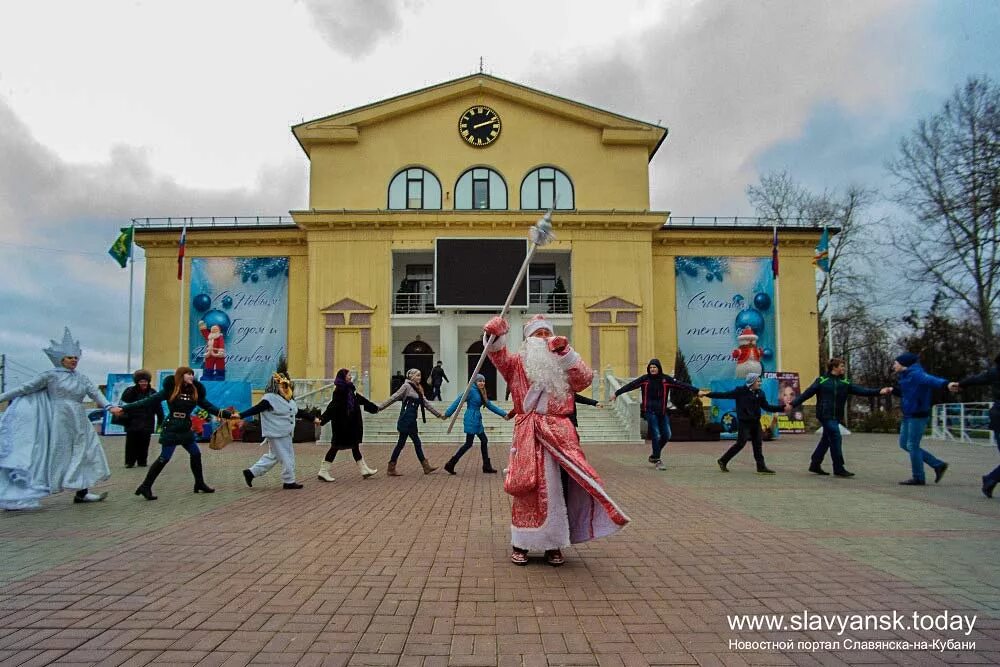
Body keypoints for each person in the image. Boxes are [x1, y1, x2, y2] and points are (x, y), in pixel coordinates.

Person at [484, 313, 630, 567]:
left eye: (546, 333)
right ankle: (521, 544)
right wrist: (494, 334)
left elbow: (584, 380)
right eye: (537, 334)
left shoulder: (563, 361)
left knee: (561, 486)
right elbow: (497, 355)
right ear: (528, 339)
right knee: (527, 487)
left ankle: (554, 544)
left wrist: (565, 353)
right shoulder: (517, 363)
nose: (543, 338)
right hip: (529, 434)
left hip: (560, 434)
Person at [0, 328, 113, 509]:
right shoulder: (50, 375)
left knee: (85, 451)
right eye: (70, 357)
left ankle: (82, 492)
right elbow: (24, 388)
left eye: (76, 357)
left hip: (79, 420)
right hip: (59, 419)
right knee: (56, 452)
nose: (74, 360)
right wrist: (2, 397)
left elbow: (95, 393)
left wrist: (109, 406)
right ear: (61, 359)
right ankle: (32, 490)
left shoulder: (82, 378)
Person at [114, 367, 234, 500]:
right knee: (164, 457)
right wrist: (124, 408)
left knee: (196, 453)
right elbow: (147, 401)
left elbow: (209, 407)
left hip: (185, 427)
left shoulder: (194, 391)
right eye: (188, 374)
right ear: (181, 376)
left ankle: (199, 483)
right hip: (172, 426)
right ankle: (145, 486)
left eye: (192, 374)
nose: (191, 376)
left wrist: (228, 415)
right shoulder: (171, 389)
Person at [789, 358, 891, 478]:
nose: (843, 368)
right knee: (836, 435)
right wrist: (792, 404)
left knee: (827, 439)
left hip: (836, 416)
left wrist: (879, 391)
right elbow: (806, 394)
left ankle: (815, 464)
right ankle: (838, 467)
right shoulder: (822, 381)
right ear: (834, 367)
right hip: (825, 414)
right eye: (841, 366)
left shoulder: (845, 382)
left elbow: (862, 391)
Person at [610, 358, 699, 470]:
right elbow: (631, 385)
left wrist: (696, 391)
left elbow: (681, 385)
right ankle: (657, 459)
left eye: (654, 367)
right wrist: (617, 393)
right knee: (656, 435)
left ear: (659, 368)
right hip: (650, 412)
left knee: (667, 435)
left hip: (662, 412)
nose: (652, 369)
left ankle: (654, 455)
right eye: (651, 367)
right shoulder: (645, 379)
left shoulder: (665, 380)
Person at [239, 363, 314, 490]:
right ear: (275, 385)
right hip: (276, 433)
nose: (285, 387)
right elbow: (256, 409)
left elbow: (297, 411)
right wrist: (240, 415)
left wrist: (313, 418)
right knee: (287, 456)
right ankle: (289, 481)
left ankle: (251, 472)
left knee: (273, 456)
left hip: (284, 432)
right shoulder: (269, 399)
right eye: (282, 385)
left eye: (286, 384)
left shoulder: (287, 399)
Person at [704, 373, 785, 474]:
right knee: (740, 444)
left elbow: (767, 407)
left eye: (760, 381)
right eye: (758, 381)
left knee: (758, 444)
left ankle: (761, 467)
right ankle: (723, 460)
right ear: (751, 382)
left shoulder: (760, 393)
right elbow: (724, 395)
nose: (760, 383)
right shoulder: (740, 391)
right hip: (744, 423)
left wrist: (782, 408)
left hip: (756, 422)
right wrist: (707, 394)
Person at [890, 352, 950, 486]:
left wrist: (947, 384)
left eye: (896, 363)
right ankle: (937, 464)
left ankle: (918, 477)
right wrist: (893, 390)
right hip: (908, 413)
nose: (894, 366)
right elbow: (907, 393)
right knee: (904, 444)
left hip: (918, 414)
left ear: (903, 364)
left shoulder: (916, 374)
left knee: (912, 445)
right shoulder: (905, 376)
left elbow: (932, 380)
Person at [949, 353, 1000, 497]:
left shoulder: (994, 372)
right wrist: (961, 384)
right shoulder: (995, 372)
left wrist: (961, 384)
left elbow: (977, 379)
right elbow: (977, 379)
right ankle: (991, 479)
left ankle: (991, 479)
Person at [377, 368, 444, 476]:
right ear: (411, 376)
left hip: (412, 419)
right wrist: (380, 407)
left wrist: (438, 414)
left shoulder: (418, 388)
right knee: (410, 443)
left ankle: (393, 467)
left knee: (404, 443)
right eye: (417, 375)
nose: (419, 377)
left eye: (420, 375)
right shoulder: (406, 386)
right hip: (406, 418)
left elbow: (426, 403)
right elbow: (394, 397)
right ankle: (395, 467)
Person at [317, 368, 380, 482]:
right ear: (343, 377)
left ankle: (364, 469)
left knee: (355, 446)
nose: (351, 377)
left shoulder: (350, 389)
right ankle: (323, 471)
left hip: (351, 424)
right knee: (335, 447)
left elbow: (361, 400)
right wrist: (322, 419)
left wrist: (374, 408)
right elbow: (332, 407)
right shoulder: (339, 391)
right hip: (342, 425)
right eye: (349, 375)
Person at [442, 374, 507, 474]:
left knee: (483, 440)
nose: (482, 383)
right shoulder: (470, 391)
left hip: (477, 419)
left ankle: (486, 466)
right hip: (471, 418)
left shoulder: (481, 391)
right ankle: (451, 464)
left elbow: (489, 405)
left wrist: (504, 414)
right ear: (474, 382)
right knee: (469, 443)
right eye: (479, 381)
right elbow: (458, 401)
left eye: (483, 381)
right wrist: (447, 414)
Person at [120, 369, 163, 468]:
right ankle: (129, 462)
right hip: (132, 422)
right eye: (141, 381)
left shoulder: (152, 392)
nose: (143, 383)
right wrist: (133, 390)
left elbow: (158, 407)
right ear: (137, 382)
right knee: (131, 443)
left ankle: (142, 461)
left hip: (147, 421)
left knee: (144, 442)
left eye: (145, 381)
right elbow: (125, 399)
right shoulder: (131, 391)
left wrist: (160, 420)